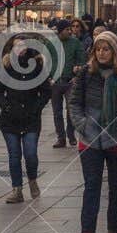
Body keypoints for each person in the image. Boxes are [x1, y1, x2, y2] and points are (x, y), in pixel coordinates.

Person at [69, 31, 117, 233]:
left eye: (106, 49)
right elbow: (74, 102)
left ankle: (112, 228)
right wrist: (81, 124)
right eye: (98, 49)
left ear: (114, 51)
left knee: (116, 185)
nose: (101, 53)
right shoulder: (85, 74)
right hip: (90, 137)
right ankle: (87, 231)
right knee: (92, 184)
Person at [0, 34, 51, 204]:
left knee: (30, 154)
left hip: (31, 118)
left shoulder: (36, 67)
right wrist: (5, 106)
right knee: (14, 155)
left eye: (23, 45)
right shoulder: (6, 67)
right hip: (10, 118)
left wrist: (37, 107)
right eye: (16, 46)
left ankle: (33, 180)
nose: (20, 49)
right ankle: (17, 189)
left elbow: (46, 92)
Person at [50, 19, 86, 149]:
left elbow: (82, 60)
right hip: (55, 82)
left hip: (70, 81)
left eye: (70, 29)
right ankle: (61, 137)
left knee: (71, 110)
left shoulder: (75, 42)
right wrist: (49, 77)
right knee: (57, 112)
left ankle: (71, 135)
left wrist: (77, 72)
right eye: (67, 29)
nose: (70, 31)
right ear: (60, 31)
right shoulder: (51, 43)